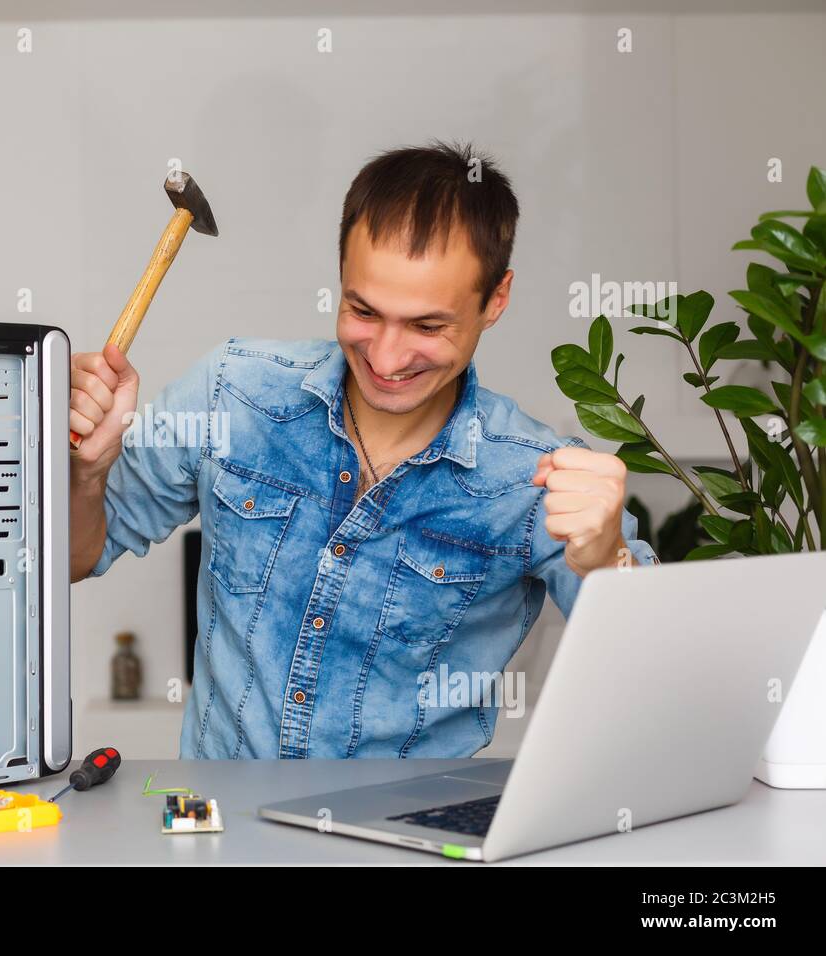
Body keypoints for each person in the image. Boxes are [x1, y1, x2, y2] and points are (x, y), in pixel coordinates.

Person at [68, 142, 658, 759]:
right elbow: (74, 557)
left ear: (495, 301)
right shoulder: (230, 393)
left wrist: (606, 560)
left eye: (428, 327)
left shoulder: (533, 476)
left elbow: (660, 688)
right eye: (363, 310)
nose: (386, 357)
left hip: (407, 845)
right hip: (217, 840)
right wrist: (88, 471)